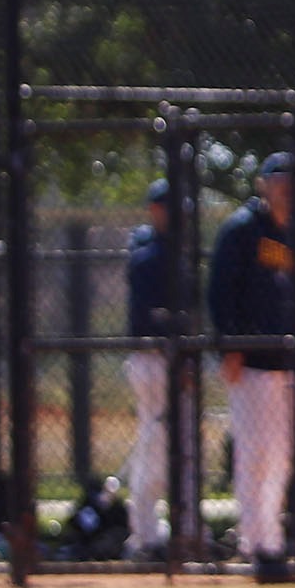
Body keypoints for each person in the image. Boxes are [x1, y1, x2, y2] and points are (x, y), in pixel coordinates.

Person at [208, 151, 295, 583]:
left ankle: (271, 541)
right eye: (277, 178)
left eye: (290, 179)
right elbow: (220, 290)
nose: (284, 185)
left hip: (285, 363)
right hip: (251, 362)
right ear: (263, 184)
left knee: (280, 459)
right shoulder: (243, 229)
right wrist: (229, 345)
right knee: (253, 456)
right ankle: (256, 545)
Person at [123, 178, 199, 561]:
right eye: (168, 206)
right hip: (152, 360)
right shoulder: (148, 256)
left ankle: (182, 532)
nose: (176, 214)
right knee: (156, 447)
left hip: (177, 360)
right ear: (154, 210)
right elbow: (149, 319)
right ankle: (145, 536)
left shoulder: (180, 253)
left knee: (182, 447)